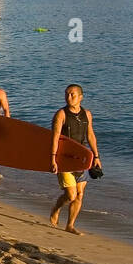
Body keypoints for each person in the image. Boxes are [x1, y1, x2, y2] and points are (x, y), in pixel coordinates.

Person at [49, 85, 102, 236]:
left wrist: (96, 157)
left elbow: (90, 135)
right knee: (70, 195)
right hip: (64, 159)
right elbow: (55, 137)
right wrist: (53, 158)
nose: (68, 97)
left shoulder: (87, 114)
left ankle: (70, 225)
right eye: (66, 94)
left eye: (72, 95)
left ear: (80, 97)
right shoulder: (61, 114)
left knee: (79, 195)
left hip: (82, 158)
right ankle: (56, 208)